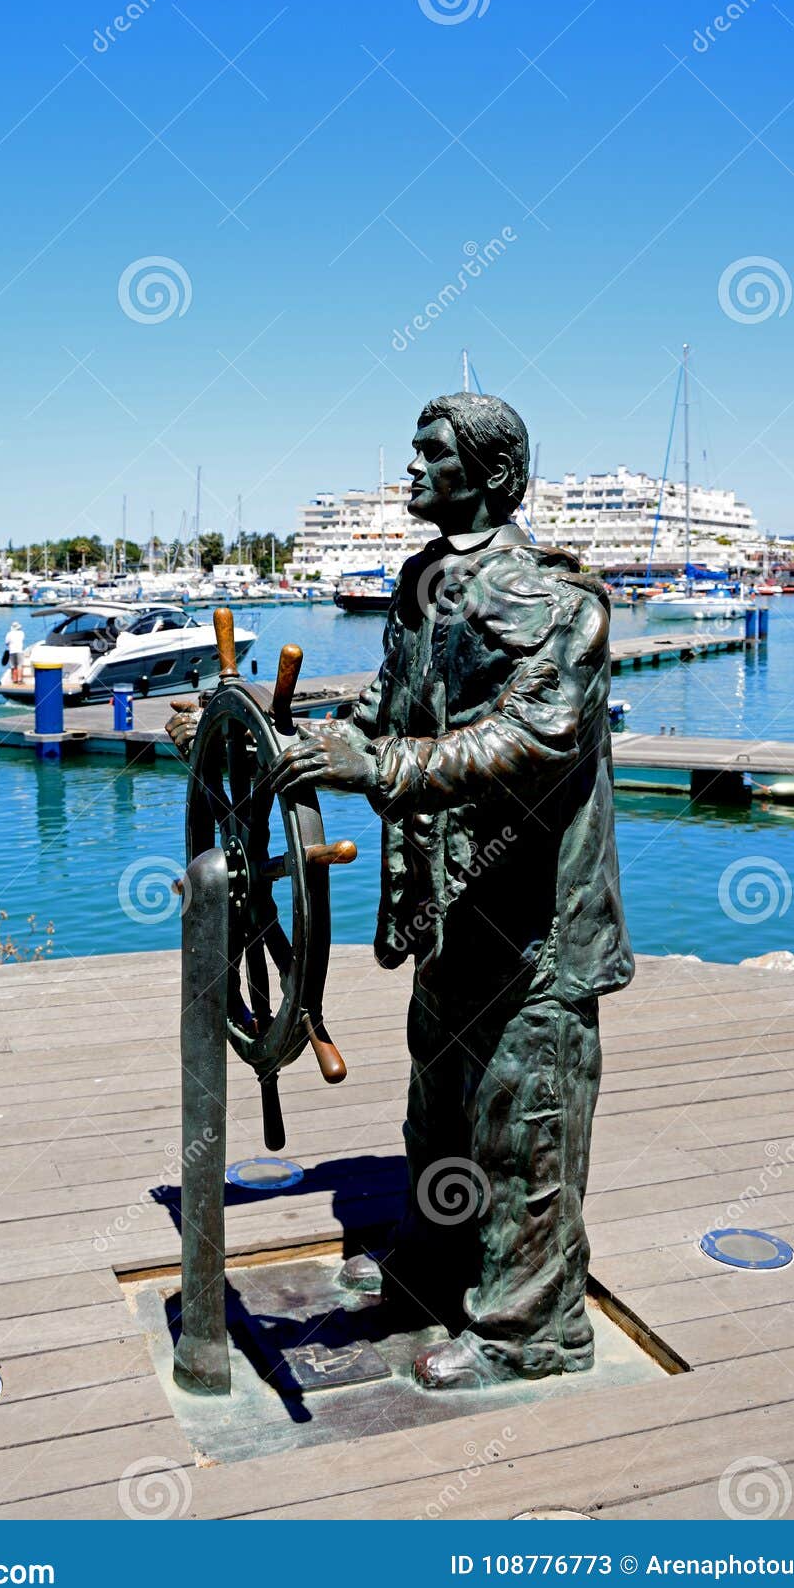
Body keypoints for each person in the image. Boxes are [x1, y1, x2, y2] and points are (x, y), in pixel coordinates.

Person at [167, 392, 633, 1392]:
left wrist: (372, 770)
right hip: (447, 905)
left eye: (432, 453)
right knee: (441, 1106)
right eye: (412, 449)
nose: (410, 468)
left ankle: (530, 1329)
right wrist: (261, 741)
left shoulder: (560, 602)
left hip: (536, 920)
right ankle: (434, 1263)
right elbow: (385, 709)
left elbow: (531, 741)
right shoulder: (424, 581)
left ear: (493, 473)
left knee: (524, 1119)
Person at [5, 619, 25, 685]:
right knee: (20, 665)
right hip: (19, 651)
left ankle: (14, 680)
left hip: (12, 651)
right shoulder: (21, 633)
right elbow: (22, 639)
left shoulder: (9, 634)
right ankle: (20, 680)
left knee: (13, 666)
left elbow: (6, 643)